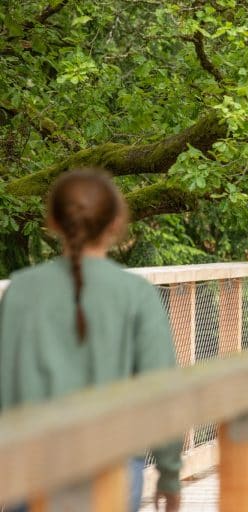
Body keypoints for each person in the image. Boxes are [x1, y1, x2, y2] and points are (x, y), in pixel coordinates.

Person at [0, 169, 182, 512]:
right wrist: (169, 474)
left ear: (52, 222)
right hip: (112, 471)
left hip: (28, 471)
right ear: (116, 223)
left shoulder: (21, 290)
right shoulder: (136, 295)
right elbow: (163, 391)